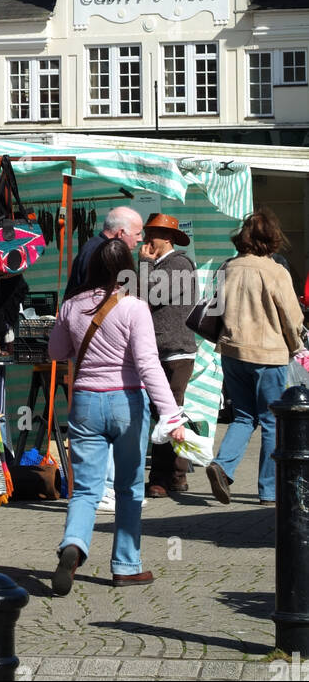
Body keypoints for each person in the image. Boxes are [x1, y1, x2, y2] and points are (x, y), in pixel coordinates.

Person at [48, 239, 185, 594]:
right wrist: (171, 414)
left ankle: (74, 544)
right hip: (127, 402)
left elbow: (56, 351)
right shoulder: (134, 307)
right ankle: (126, 565)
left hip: (85, 403)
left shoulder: (71, 306)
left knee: (86, 490)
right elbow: (147, 365)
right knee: (128, 489)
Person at [207, 208, 304, 506]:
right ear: (272, 239)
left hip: (233, 352)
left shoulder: (228, 267)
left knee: (243, 416)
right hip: (268, 354)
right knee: (272, 421)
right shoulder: (275, 271)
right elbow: (291, 317)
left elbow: (217, 308)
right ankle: (269, 490)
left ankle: (223, 465)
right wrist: (297, 343)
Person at [62, 205, 145, 511]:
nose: (138, 241)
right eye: (136, 234)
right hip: (114, 385)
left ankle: (91, 507)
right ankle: (107, 490)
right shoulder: (98, 254)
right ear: (121, 233)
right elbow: (147, 361)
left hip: (89, 385)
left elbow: (58, 348)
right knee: (117, 455)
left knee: (96, 453)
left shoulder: (91, 250)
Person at [139, 213, 198, 497]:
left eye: (155, 234)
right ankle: (177, 475)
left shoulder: (180, 264)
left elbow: (150, 295)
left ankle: (162, 479)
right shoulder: (160, 264)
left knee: (167, 415)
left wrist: (145, 264)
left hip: (175, 352)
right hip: (159, 351)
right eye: (148, 233)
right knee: (169, 414)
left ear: (169, 238)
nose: (148, 239)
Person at [62, 206, 145, 303]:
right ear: (121, 233)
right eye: (137, 234)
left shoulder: (96, 246)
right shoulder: (101, 253)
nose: (140, 239)